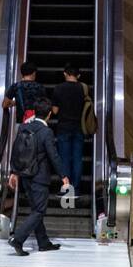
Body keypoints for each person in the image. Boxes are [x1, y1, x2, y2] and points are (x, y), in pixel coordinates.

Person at [7, 96, 69, 256]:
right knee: (39, 210)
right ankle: (18, 239)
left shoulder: (23, 127)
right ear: (49, 114)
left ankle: (43, 242)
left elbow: (16, 152)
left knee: (36, 209)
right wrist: (63, 175)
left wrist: (14, 172)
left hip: (25, 175)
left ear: (34, 112)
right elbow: (53, 155)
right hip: (39, 177)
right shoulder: (46, 132)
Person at [51, 65, 88, 196]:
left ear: (65, 74)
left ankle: (67, 189)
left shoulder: (59, 88)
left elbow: (54, 110)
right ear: (78, 76)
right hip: (79, 127)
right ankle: (76, 189)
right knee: (77, 158)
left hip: (64, 127)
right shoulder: (83, 88)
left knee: (64, 158)